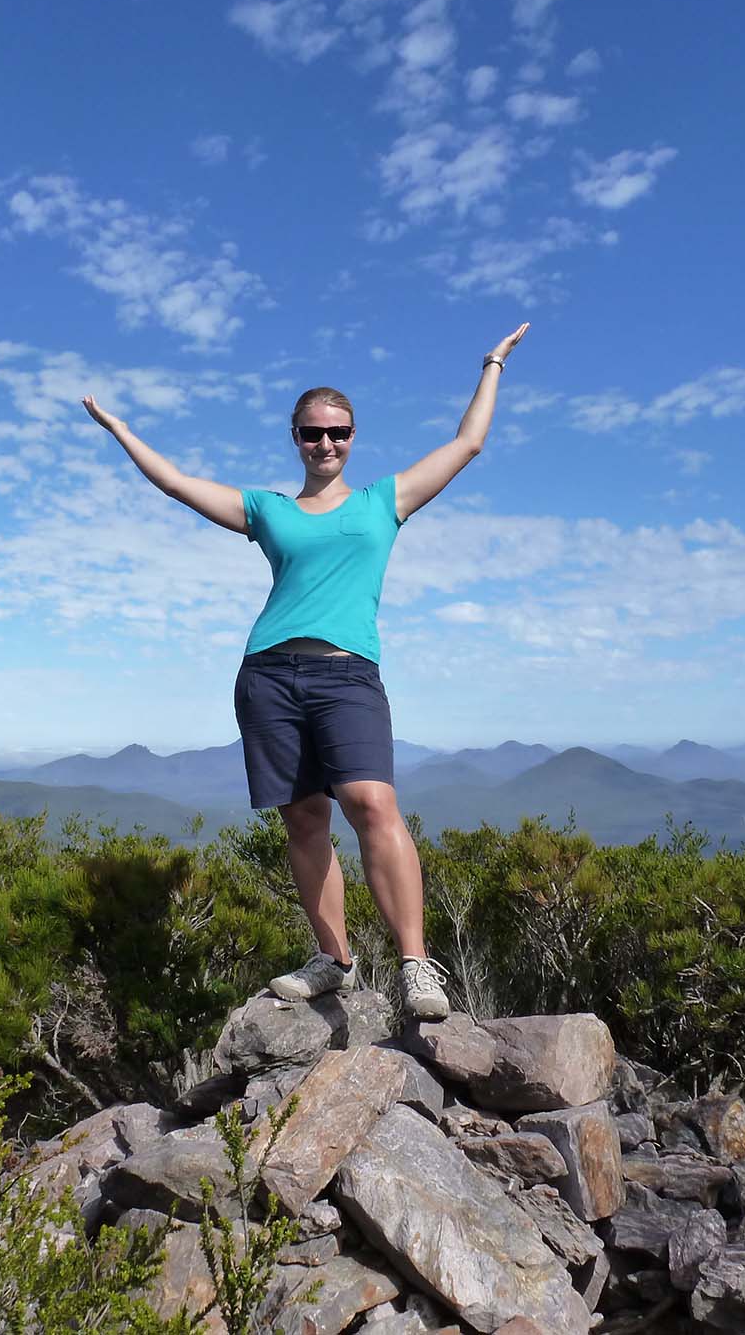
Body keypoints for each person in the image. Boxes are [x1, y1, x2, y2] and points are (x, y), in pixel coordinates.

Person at [81, 323, 530, 1019]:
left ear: (354, 437)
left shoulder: (385, 501)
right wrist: (118, 426)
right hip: (268, 676)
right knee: (303, 820)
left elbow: (467, 443)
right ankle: (335, 960)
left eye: (338, 433)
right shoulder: (268, 510)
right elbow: (173, 482)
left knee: (372, 803)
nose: (326, 444)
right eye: (312, 433)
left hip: (347, 676)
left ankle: (416, 965)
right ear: (295, 438)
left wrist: (492, 363)